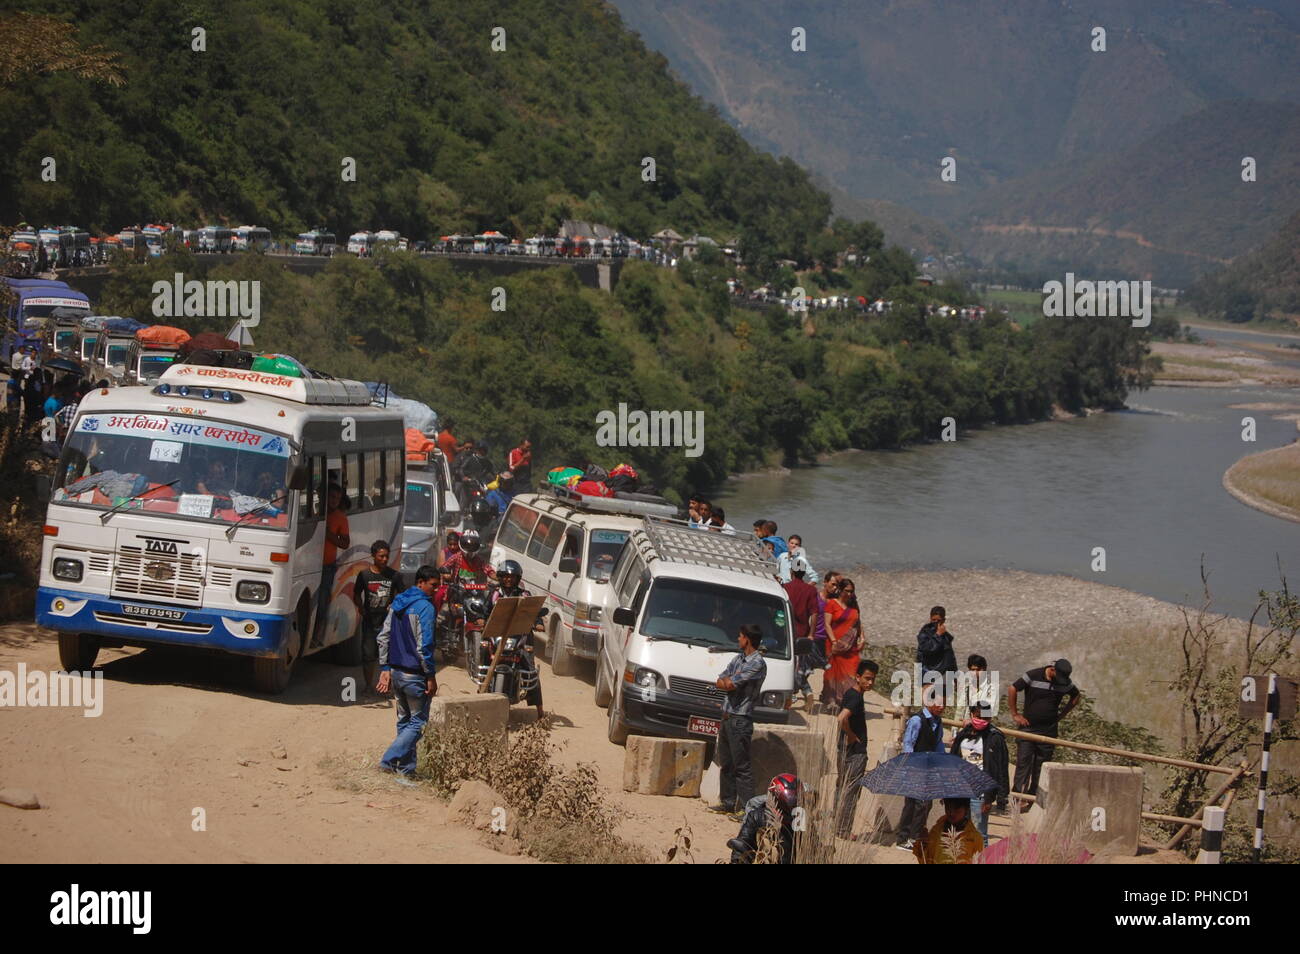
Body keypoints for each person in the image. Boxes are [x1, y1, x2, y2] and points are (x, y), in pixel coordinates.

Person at [375, 566, 439, 778]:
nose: (436, 590)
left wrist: (385, 668)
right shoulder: (425, 608)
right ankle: (388, 760)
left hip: (397, 673)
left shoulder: (397, 604)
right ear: (420, 582)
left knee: (405, 722)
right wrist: (430, 675)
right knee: (418, 723)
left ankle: (405, 769)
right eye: (433, 585)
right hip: (414, 675)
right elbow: (424, 646)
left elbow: (383, 637)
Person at [710, 624, 768, 816]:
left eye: (740, 636)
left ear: (747, 639)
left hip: (740, 719)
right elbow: (721, 680)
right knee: (726, 762)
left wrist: (728, 682)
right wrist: (727, 682)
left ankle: (746, 808)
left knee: (741, 766)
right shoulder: (738, 659)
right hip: (727, 717)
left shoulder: (757, 663)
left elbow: (731, 683)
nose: (738, 639)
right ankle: (727, 802)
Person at [1009, 659, 1081, 804]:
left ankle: (1033, 799)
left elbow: (1076, 696)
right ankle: (1017, 798)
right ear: (1052, 669)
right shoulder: (1033, 675)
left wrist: (1062, 715)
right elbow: (1013, 688)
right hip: (1028, 729)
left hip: (1048, 731)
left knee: (1041, 767)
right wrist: (1015, 714)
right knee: (1024, 762)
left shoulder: (1064, 682)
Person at [489, 559, 543, 720]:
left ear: (518, 579)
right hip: (498, 635)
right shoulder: (493, 593)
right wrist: (480, 619)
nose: (508, 580)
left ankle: (540, 711)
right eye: (505, 576)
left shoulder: (524, 595)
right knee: (484, 651)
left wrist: (538, 622)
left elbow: (534, 611)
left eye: (512, 577)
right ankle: (482, 690)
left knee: (531, 668)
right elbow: (485, 610)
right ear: (500, 577)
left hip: (521, 637)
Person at [949, 700, 1009, 844]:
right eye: (978, 716)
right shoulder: (963, 735)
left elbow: (1001, 768)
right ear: (971, 715)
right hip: (961, 791)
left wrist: (995, 798)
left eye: (985, 718)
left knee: (979, 834)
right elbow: (952, 762)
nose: (981, 720)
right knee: (959, 831)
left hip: (980, 793)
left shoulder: (995, 738)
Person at [836, 660, 879, 837]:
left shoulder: (850, 694)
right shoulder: (855, 697)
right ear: (858, 677)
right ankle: (844, 830)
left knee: (841, 788)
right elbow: (841, 718)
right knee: (851, 792)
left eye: (873, 680)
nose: (870, 683)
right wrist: (852, 735)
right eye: (867, 678)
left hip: (844, 749)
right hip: (855, 752)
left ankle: (837, 827)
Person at [897, 697, 946, 850]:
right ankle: (904, 837)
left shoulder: (938, 723)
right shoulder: (917, 720)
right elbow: (908, 744)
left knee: (925, 804)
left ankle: (914, 836)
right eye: (939, 703)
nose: (942, 707)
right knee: (913, 803)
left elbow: (938, 745)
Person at [353, 540, 402, 694]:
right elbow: (356, 594)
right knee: (368, 655)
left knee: (388, 656)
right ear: (373, 556)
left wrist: (393, 606)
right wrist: (360, 608)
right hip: (369, 621)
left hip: (388, 622)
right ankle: (368, 685)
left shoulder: (394, 576)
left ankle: (386, 687)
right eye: (381, 556)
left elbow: (402, 595)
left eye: (386, 556)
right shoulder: (364, 575)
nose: (384, 560)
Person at [727, 773, 803, 864]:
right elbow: (742, 845)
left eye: (795, 804)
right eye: (787, 805)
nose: (791, 810)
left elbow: (814, 847)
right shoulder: (756, 817)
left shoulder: (800, 823)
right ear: (775, 800)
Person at [313, 482, 350, 645]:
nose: (334, 500)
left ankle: (317, 635)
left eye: (337, 498)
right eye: (332, 497)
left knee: (321, 602)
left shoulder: (340, 518)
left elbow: (345, 543)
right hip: (308, 563)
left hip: (327, 566)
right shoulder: (313, 512)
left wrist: (329, 535)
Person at [782, 557, 821, 710]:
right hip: (802, 634)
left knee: (790, 666)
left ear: (791, 571)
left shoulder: (785, 587)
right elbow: (814, 613)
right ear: (804, 573)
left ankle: (799, 695)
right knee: (799, 666)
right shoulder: (810, 590)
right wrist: (811, 633)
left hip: (785, 634)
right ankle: (806, 693)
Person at [822, 577, 862, 708]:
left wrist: (862, 637)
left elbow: (858, 624)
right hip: (834, 645)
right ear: (840, 590)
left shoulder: (853, 606)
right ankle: (832, 700)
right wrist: (834, 641)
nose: (849, 594)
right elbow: (827, 624)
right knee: (833, 673)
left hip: (851, 648)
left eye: (851, 591)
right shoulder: (832, 604)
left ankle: (847, 701)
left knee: (851, 673)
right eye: (847, 591)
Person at [912, 798, 985, 864]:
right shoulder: (936, 831)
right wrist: (922, 845)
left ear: (966, 809)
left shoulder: (974, 838)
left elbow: (979, 860)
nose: (952, 813)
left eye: (957, 810)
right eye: (948, 808)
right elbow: (926, 859)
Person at [916, 605, 957, 679]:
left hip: (944, 675)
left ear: (943, 620)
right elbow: (927, 649)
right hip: (928, 674)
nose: (935, 623)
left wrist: (955, 675)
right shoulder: (924, 633)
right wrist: (938, 635)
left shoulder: (945, 636)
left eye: (938, 621)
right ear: (930, 618)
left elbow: (950, 655)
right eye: (933, 620)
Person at [955, 654, 988, 725]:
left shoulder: (990, 690)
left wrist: (972, 721)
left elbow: (987, 716)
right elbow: (960, 710)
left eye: (978, 670)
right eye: (973, 670)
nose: (975, 673)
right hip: (959, 727)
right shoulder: (965, 686)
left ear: (985, 670)